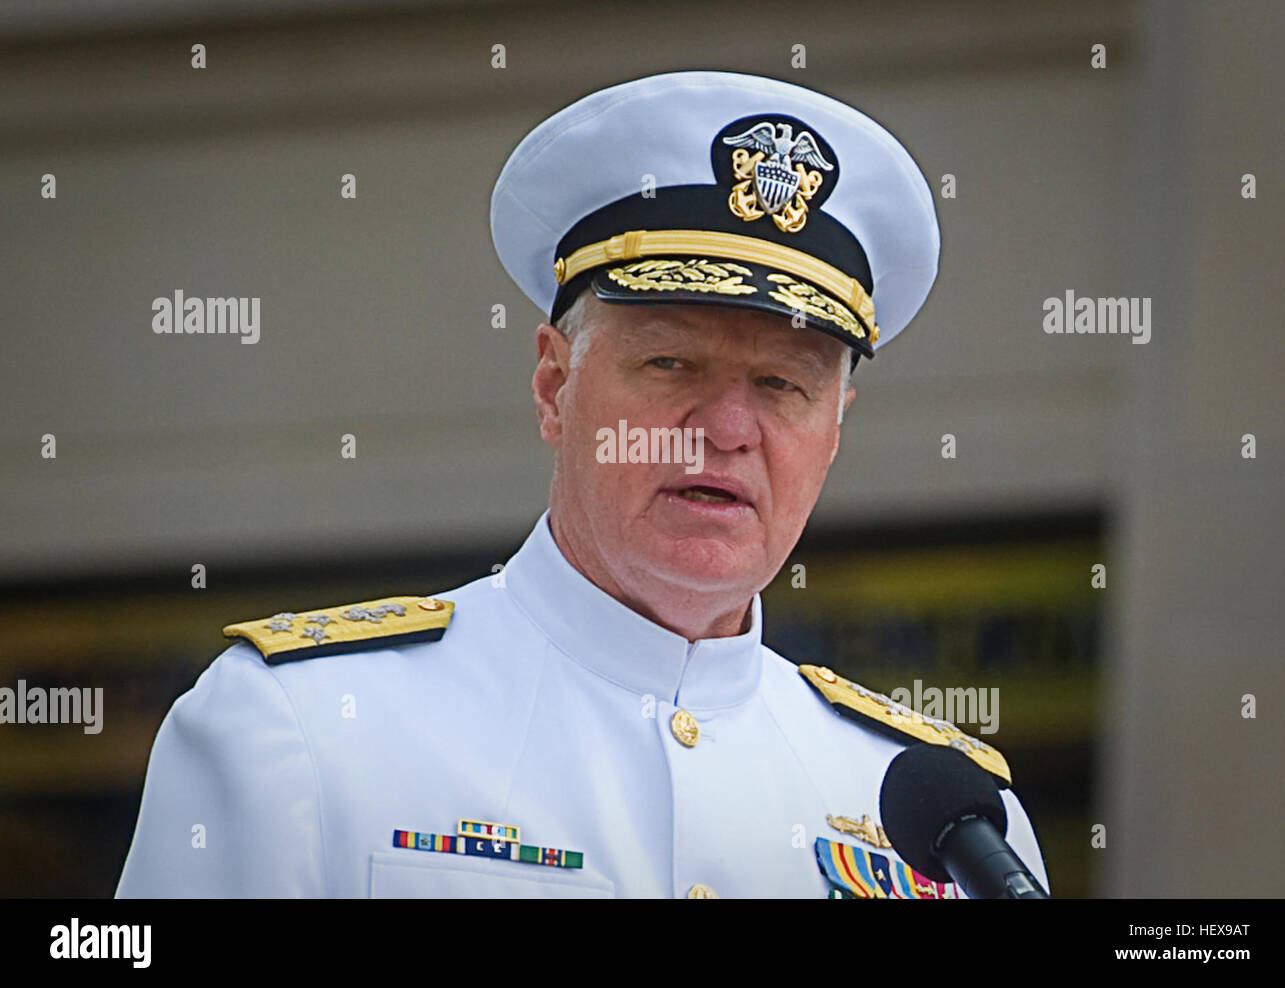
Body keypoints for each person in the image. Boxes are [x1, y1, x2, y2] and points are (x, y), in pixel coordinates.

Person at [116, 70, 1049, 898]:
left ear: (835, 433)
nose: (727, 431)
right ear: (555, 388)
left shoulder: (950, 829)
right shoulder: (297, 733)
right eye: (672, 365)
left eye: (781, 387)